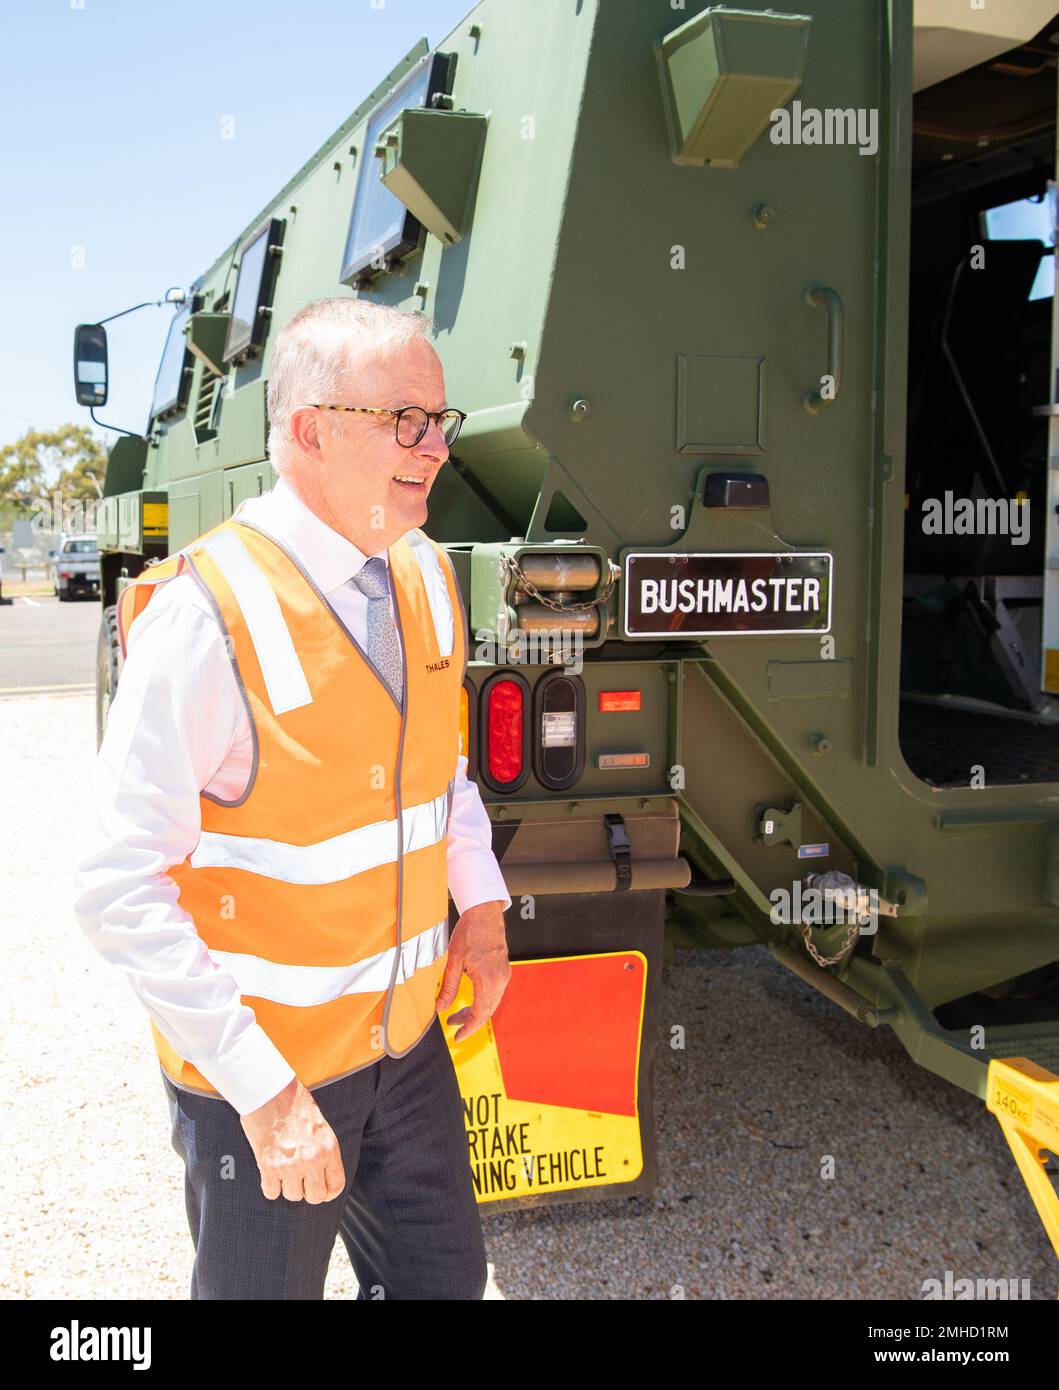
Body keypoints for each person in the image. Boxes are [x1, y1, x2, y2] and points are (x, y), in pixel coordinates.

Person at [74, 296, 512, 1300]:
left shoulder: (426, 576)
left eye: (439, 421)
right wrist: (266, 1097)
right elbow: (114, 885)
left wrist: (479, 908)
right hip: (263, 1077)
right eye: (405, 419)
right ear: (312, 431)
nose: (435, 446)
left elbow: (436, 765)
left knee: (445, 1283)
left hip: (406, 1052)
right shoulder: (205, 616)